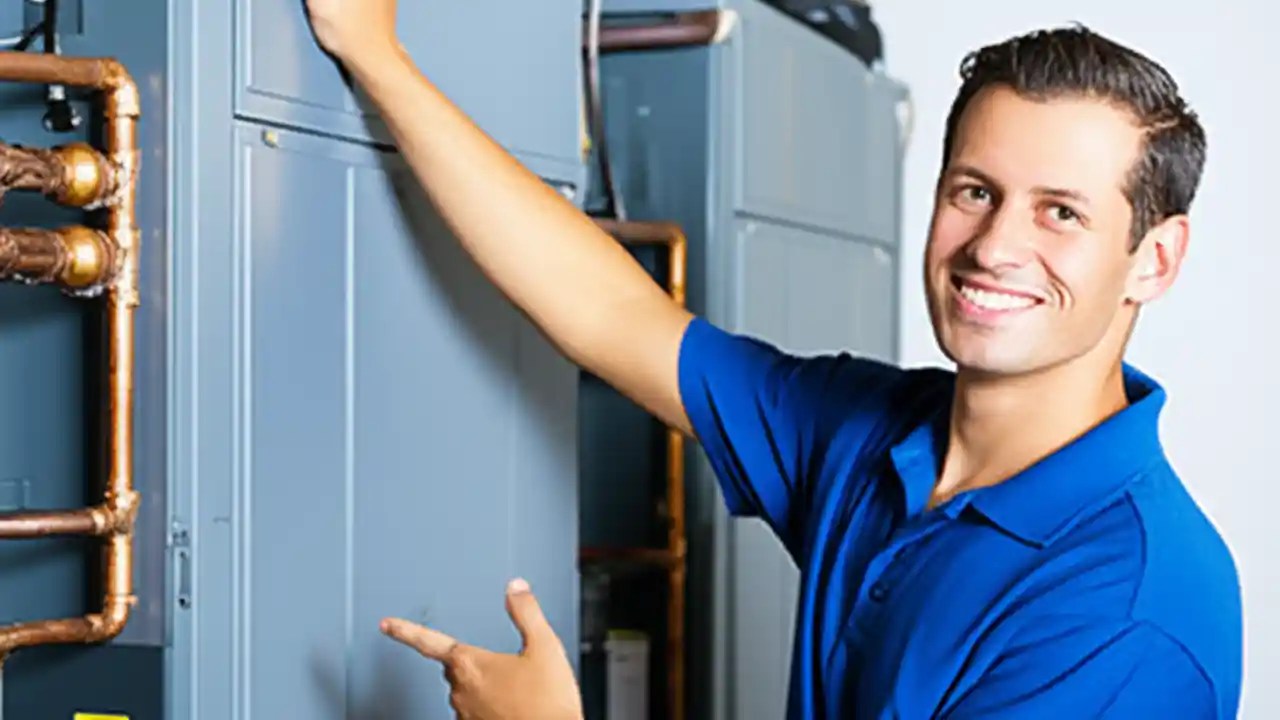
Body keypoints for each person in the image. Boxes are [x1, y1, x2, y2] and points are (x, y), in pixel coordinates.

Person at [305, 1, 1244, 718]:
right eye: (975, 191)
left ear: (1152, 259)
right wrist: (378, 58)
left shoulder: (1134, 611)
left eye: (1061, 212)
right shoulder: (867, 430)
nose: (994, 246)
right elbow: (613, 314)